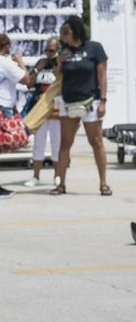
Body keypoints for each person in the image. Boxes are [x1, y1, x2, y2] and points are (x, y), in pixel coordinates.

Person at [50, 15, 111, 196]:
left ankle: (103, 183)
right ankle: (60, 184)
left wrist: (103, 101)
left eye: (65, 33)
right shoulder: (65, 52)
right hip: (68, 102)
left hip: (90, 101)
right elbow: (57, 75)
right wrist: (59, 62)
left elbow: (102, 75)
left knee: (97, 141)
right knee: (65, 143)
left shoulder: (94, 48)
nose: (63, 38)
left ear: (74, 32)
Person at [0, 33, 30, 198]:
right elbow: (26, 80)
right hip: (0, 107)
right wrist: (21, 63)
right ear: (7, 46)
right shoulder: (4, 63)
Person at [25, 38, 61, 187]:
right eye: (46, 50)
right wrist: (37, 69)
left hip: (56, 110)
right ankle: (36, 176)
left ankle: (58, 175)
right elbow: (29, 84)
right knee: (38, 144)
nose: (48, 53)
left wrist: (58, 66)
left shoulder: (61, 64)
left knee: (56, 145)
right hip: (40, 109)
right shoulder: (41, 62)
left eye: (51, 50)